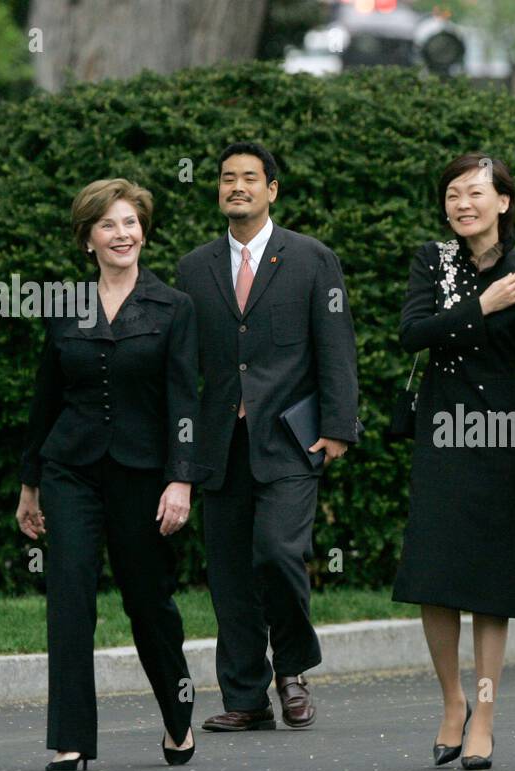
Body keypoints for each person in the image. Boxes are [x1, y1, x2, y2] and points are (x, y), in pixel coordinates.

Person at [17, 177, 204, 771]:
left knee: (148, 602)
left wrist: (181, 480)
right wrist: (30, 485)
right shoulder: (64, 305)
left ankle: (178, 721)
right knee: (69, 598)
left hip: (143, 474)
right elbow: (44, 399)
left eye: (130, 223)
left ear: (142, 231)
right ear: (87, 239)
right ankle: (70, 740)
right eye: (108, 225)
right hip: (69, 470)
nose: (122, 234)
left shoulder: (174, 306)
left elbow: (184, 402)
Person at [177, 142, 359, 733]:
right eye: (227, 178)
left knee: (279, 554)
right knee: (229, 574)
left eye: (250, 178)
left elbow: (335, 348)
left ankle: (294, 670)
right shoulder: (193, 268)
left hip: (289, 441)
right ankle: (245, 699)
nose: (237, 187)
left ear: (272, 189)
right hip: (218, 445)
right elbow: (183, 367)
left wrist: (338, 428)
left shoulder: (311, 259)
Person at [391, 152, 515, 771]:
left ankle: (484, 713)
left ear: (503, 202)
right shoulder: (433, 262)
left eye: (474, 193)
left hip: (504, 438)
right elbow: (413, 333)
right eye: (452, 194)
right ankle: (452, 702)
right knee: (434, 577)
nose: (462, 204)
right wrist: (481, 307)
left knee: (491, 587)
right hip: (443, 432)